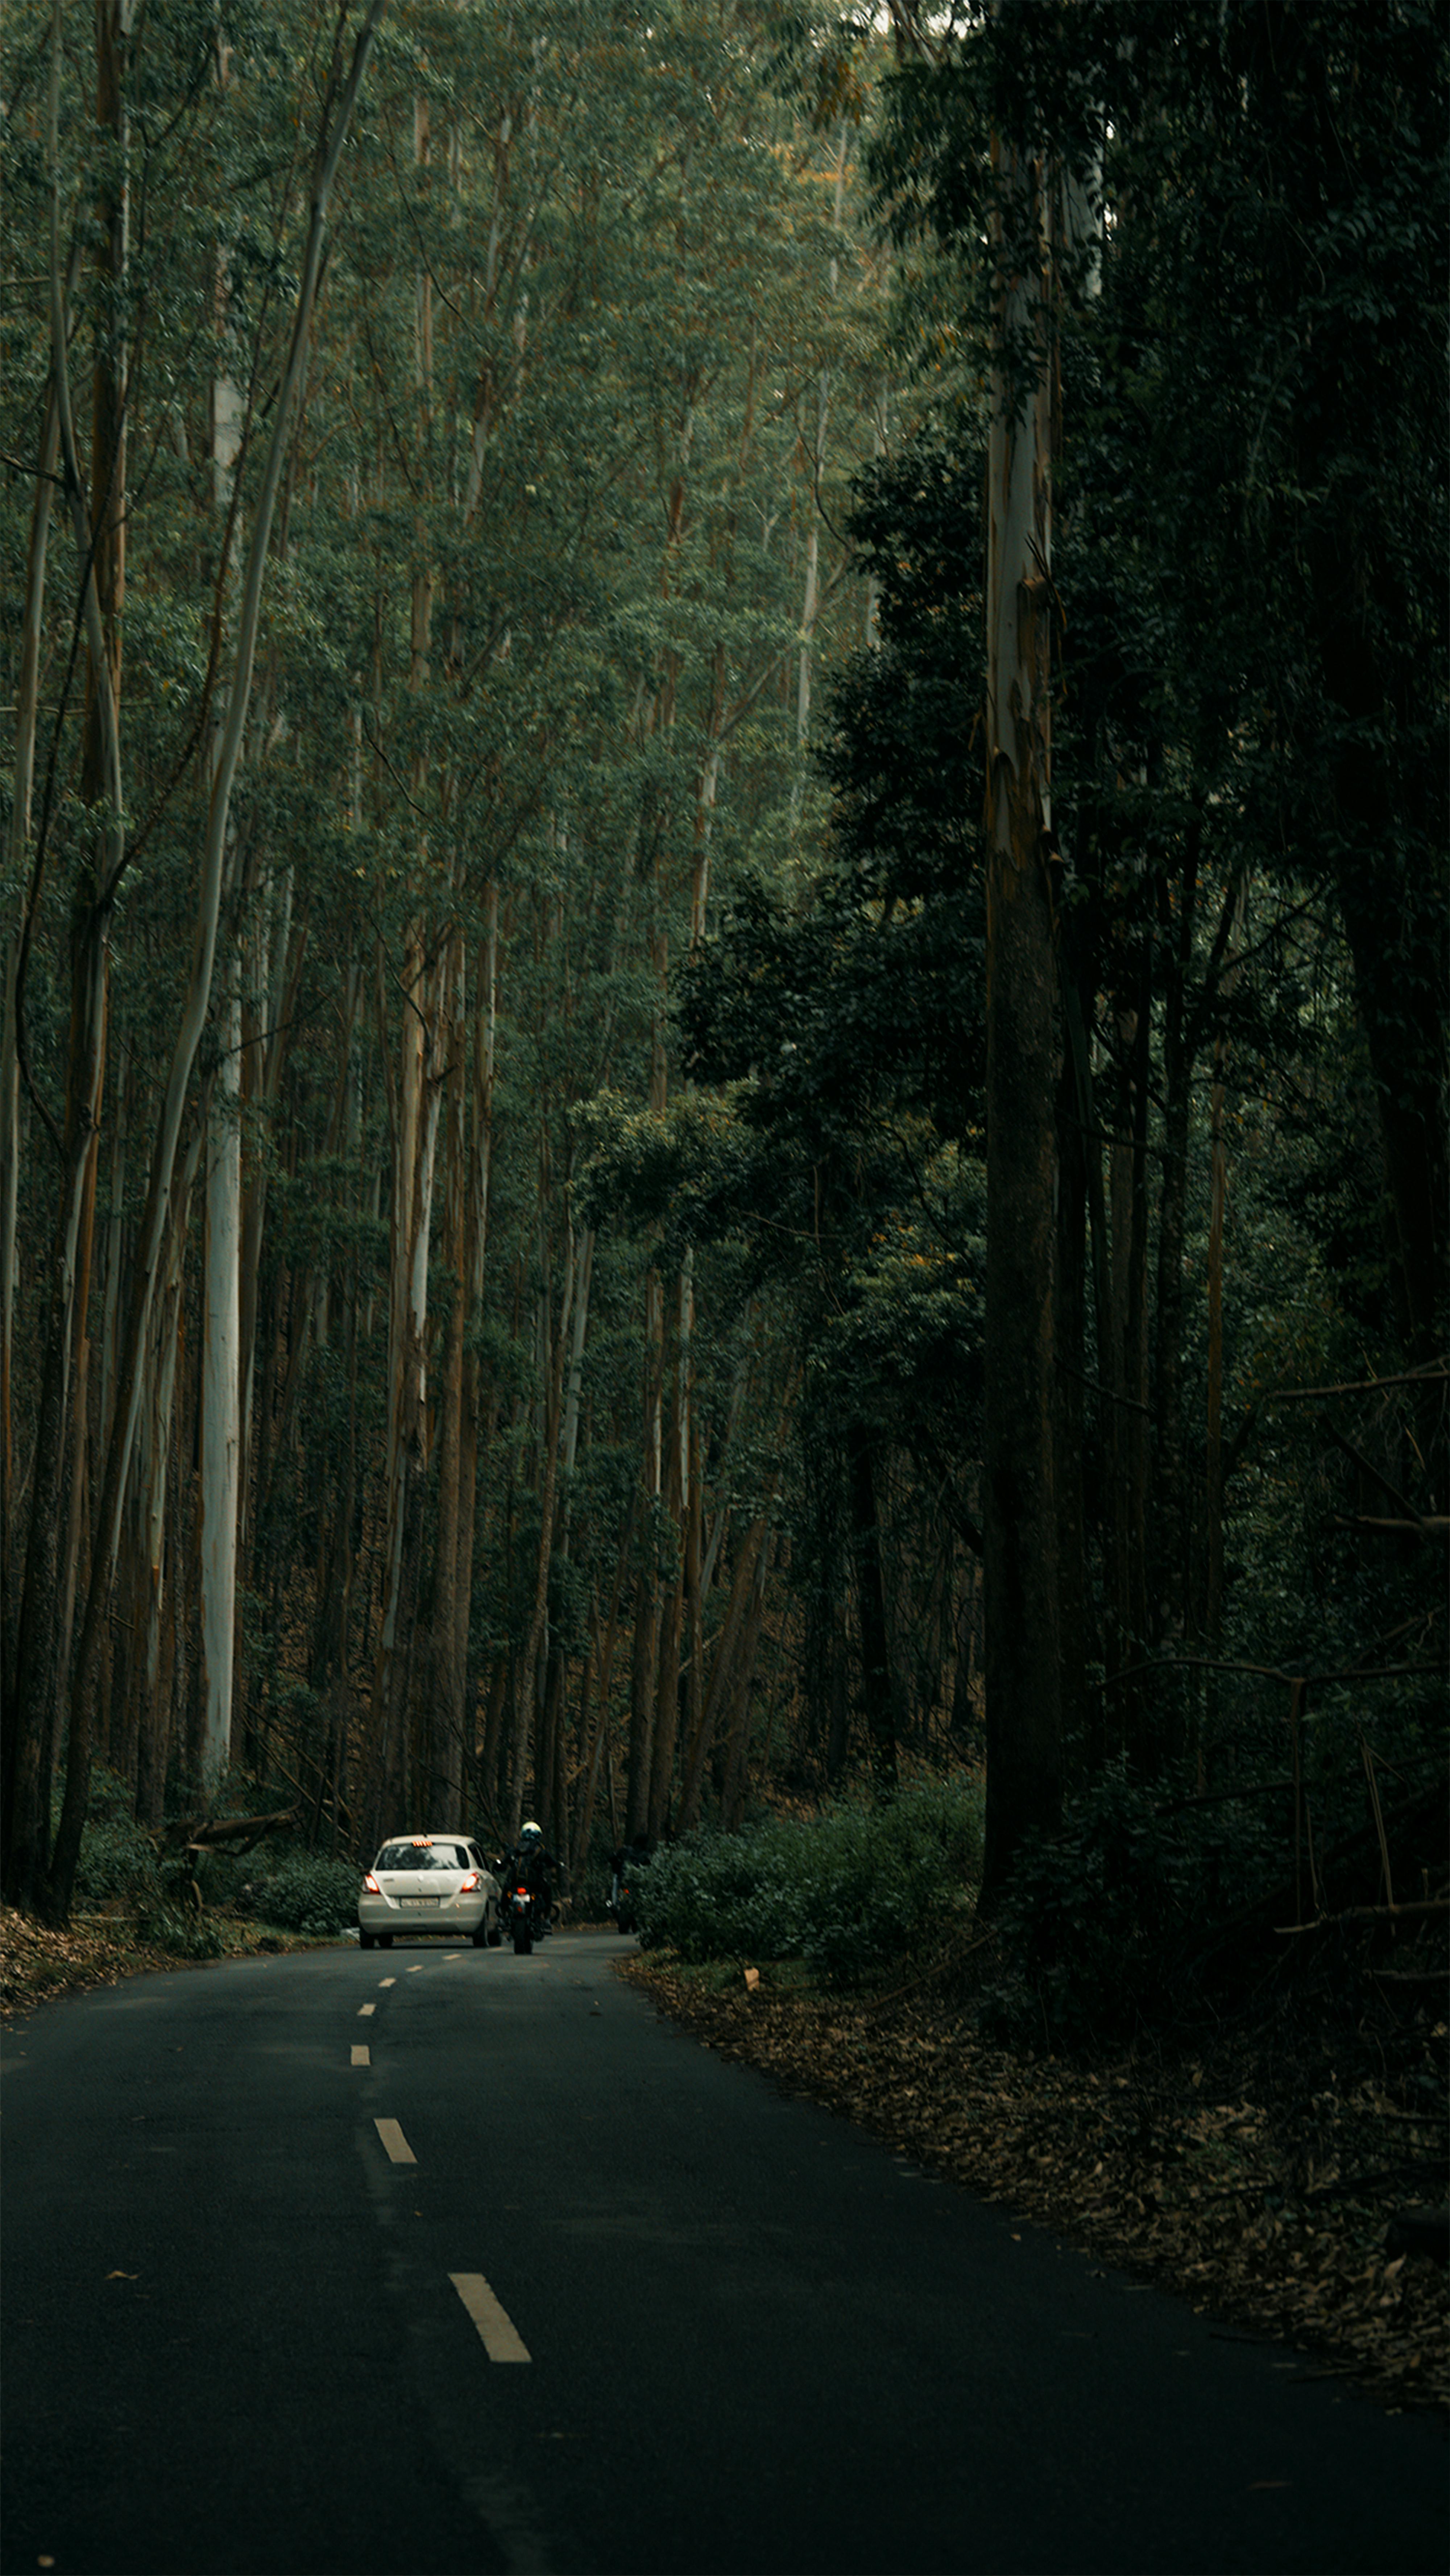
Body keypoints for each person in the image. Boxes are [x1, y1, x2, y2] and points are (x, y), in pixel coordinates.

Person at [502, 1820, 557, 1931]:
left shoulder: (516, 1848)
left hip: (516, 1883)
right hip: (534, 1884)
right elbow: (552, 1862)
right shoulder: (541, 1850)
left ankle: (503, 1918)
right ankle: (546, 1919)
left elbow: (505, 1861)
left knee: (506, 1891)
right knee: (548, 1891)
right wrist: (557, 1865)